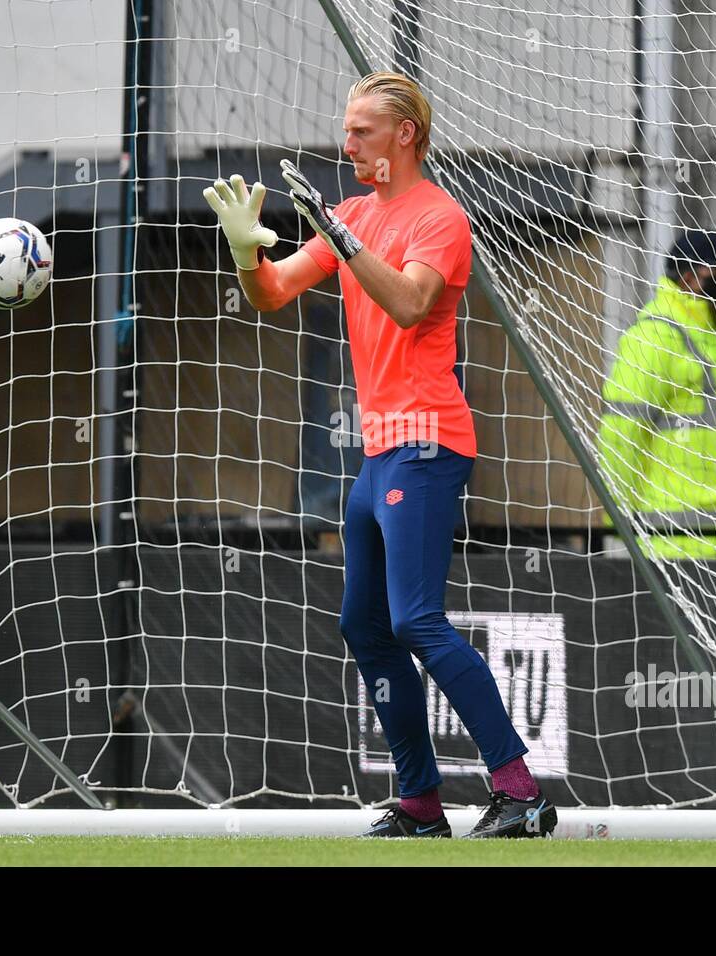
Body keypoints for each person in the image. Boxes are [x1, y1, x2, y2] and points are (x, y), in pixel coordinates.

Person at [203, 71, 555, 838]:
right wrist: (243, 249)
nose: (347, 141)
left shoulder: (439, 218)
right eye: (346, 127)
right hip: (381, 455)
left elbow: (408, 302)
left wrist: (340, 235)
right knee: (366, 628)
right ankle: (422, 803)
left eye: (362, 129)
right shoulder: (354, 215)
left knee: (419, 622)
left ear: (407, 135)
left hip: (428, 443)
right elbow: (270, 294)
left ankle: (519, 790)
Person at [598, 230, 716, 558]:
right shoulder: (653, 338)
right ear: (689, 278)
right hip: (680, 543)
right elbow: (621, 438)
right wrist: (617, 522)